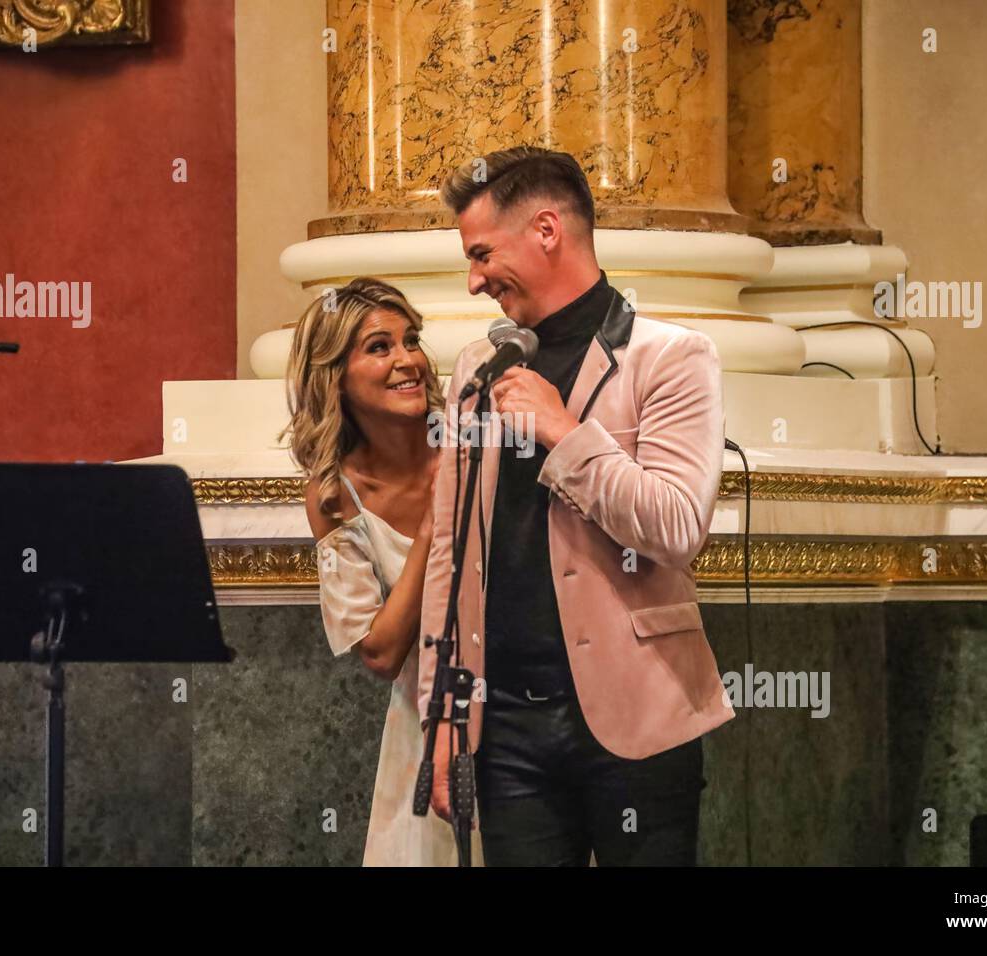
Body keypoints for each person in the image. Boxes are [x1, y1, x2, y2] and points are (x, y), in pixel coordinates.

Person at [418, 146, 735, 866]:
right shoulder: (479, 368)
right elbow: (452, 549)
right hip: (505, 735)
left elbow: (677, 528)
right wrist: (443, 714)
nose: (473, 282)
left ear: (547, 230)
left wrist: (565, 434)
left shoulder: (672, 357)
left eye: (480, 254)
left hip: (638, 723)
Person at [282, 277, 483, 866]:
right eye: (379, 347)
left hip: (521, 715)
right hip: (425, 729)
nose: (407, 361)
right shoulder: (335, 496)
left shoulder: (477, 442)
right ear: (333, 375)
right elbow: (380, 651)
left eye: (411, 340)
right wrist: (434, 522)